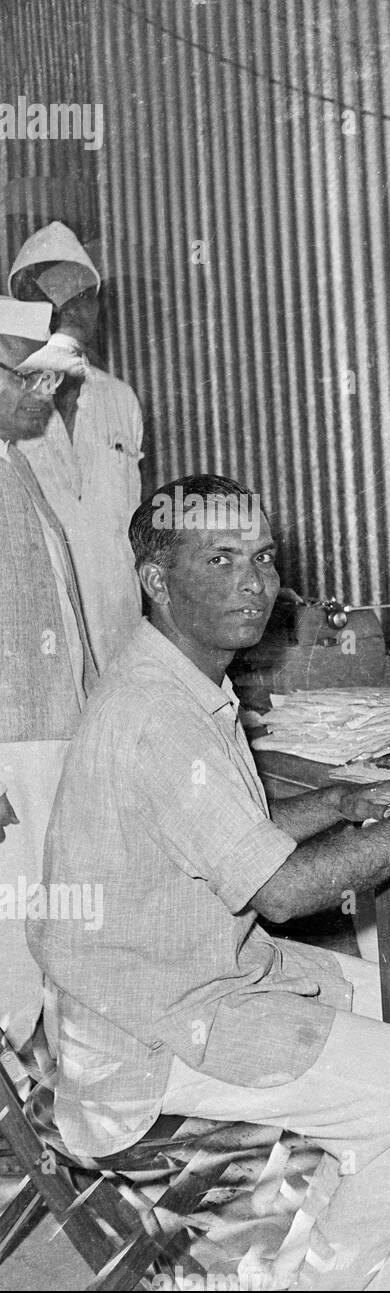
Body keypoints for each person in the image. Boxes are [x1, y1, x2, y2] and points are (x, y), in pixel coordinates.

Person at [27, 474, 390, 1290]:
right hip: (148, 1036)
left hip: (189, 981)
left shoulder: (179, 678)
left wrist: (336, 800)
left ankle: (342, 1262)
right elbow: (284, 892)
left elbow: (222, 841)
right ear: (158, 582)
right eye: (221, 559)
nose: (255, 582)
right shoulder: (156, 713)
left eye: (262, 557)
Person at [1, 296, 97, 1049]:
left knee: (49, 928)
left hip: (51, 737)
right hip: (11, 753)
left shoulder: (15, 465)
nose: (45, 396)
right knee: (9, 945)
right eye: (29, 379)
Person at [7, 220, 144, 672]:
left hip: (120, 626)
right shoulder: (8, 401)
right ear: (27, 306)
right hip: (38, 634)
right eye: (57, 295)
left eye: (85, 296)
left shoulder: (120, 399)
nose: (74, 311)